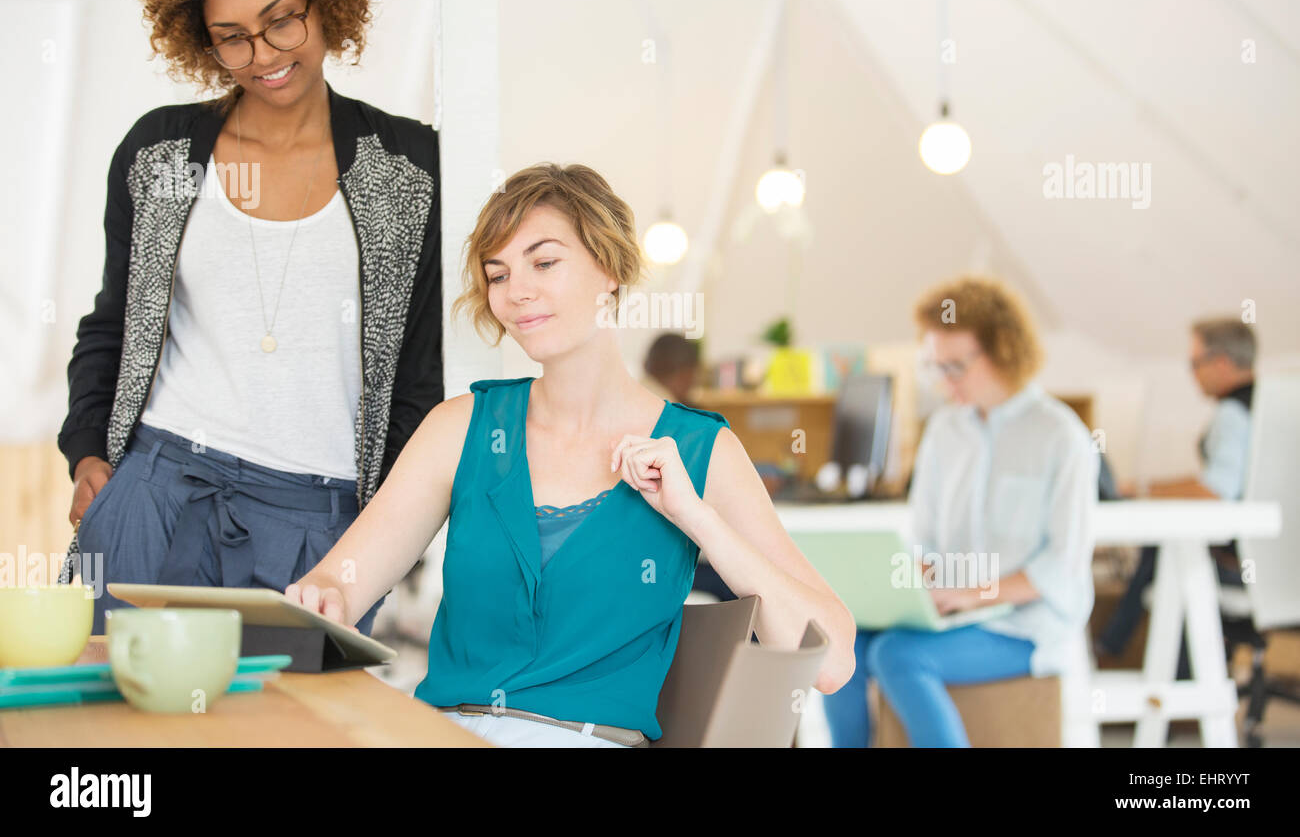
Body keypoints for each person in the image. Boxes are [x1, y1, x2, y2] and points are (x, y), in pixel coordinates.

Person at [284, 163, 857, 747]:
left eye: (544, 262)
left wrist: (697, 518)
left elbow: (831, 661)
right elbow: (344, 581)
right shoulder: (460, 429)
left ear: (608, 267)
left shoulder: (700, 450)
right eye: (498, 273)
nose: (517, 290)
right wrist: (324, 595)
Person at [56, 0, 443, 637]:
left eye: (280, 21)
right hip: (155, 492)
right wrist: (87, 456)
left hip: (320, 524)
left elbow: (418, 383)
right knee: (119, 730)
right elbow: (111, 324)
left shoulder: (410, 167)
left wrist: (378, 539)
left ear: (325, 1)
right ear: (202, 41)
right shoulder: (159, 151)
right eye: (231, 35)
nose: (261, 55)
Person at [822, 276, 1097, 747]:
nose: (945, 381)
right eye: (936, 367)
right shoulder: (945, 432)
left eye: (956, 366)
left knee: (897, 656)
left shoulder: (1060, 435)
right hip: (947, 612)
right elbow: (925, 539)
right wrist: (915, 585)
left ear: (1005, 352)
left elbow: (1062, 567)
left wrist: (975, 593)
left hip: (1025, 624)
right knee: (838, 644)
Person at [1096, 317, 1257, 659]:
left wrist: (1141, 489)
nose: (1192, 373)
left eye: (1195, 363)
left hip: (1238, 564)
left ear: (1222, 362)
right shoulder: (1269, 404)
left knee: (1167, 548)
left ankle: (1113, 648)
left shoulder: (1232, 413)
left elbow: (1216, 490)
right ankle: (1114, 644)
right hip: (1275, 561)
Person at [642, 333, 701, 404]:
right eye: (693, 374)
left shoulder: (639, 389)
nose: (693, 382)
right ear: (684, 375)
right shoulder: (668, 407)